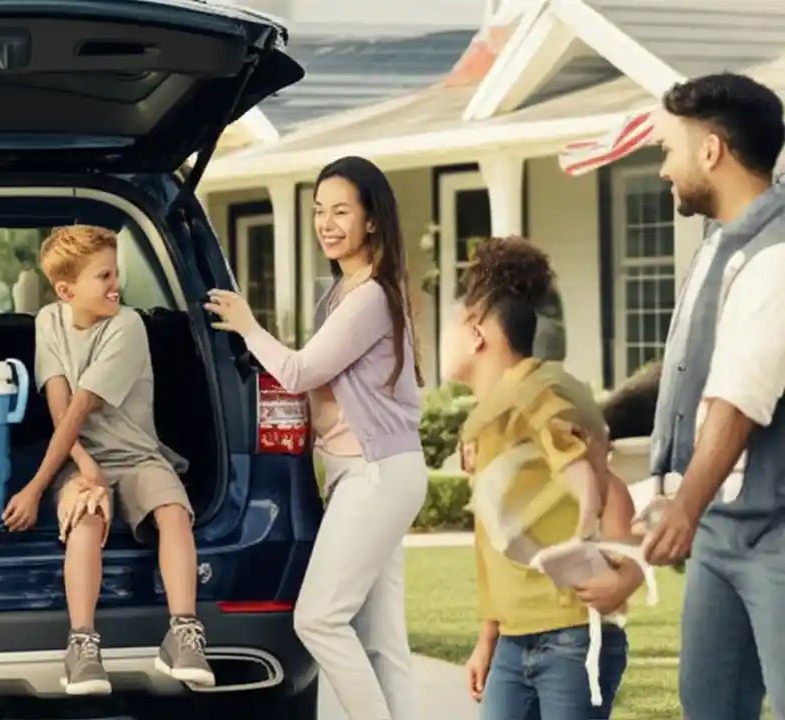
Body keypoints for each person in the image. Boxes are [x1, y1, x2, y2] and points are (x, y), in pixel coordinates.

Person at [205, 156, 426, 720]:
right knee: (381, 641)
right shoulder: (345, 293)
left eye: (341, 211)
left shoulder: (370, 297)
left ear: (371, 219)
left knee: (319, 619)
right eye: (319, 211)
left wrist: (248, 326)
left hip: (377, 473)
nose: (326, 223)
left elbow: (301, 373)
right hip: (374, 472)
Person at [0, 224, 214, 695]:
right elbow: (60, 408)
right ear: (66, 291)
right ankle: (82, 645)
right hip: (76, 455)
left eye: (116, 273)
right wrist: (80, 467)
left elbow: (81, 406)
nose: (116, 284)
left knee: (173, 511)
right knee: (86, 518)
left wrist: (36, 487)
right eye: (104, 276)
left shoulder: (128, 324)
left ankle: (183, 634)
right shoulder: (48, 321)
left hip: (137, 455)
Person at [442, 236, 646, 719]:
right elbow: (495, 538)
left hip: (570, 637)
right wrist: (488, 635)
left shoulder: (539, 395)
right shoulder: (491, 419)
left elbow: (609, 486)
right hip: (514, 641)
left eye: (449, 324)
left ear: (476, 331)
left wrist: (626, 576)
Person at [638, 72, 785, 718]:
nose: (664, 169)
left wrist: (683, 509)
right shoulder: (719, 247)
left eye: (669, 149)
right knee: (710, 706)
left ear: (710, 151)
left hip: (774, 533)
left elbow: (738, 400)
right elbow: (689, 372)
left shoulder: (776, 256)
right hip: (722, 528)